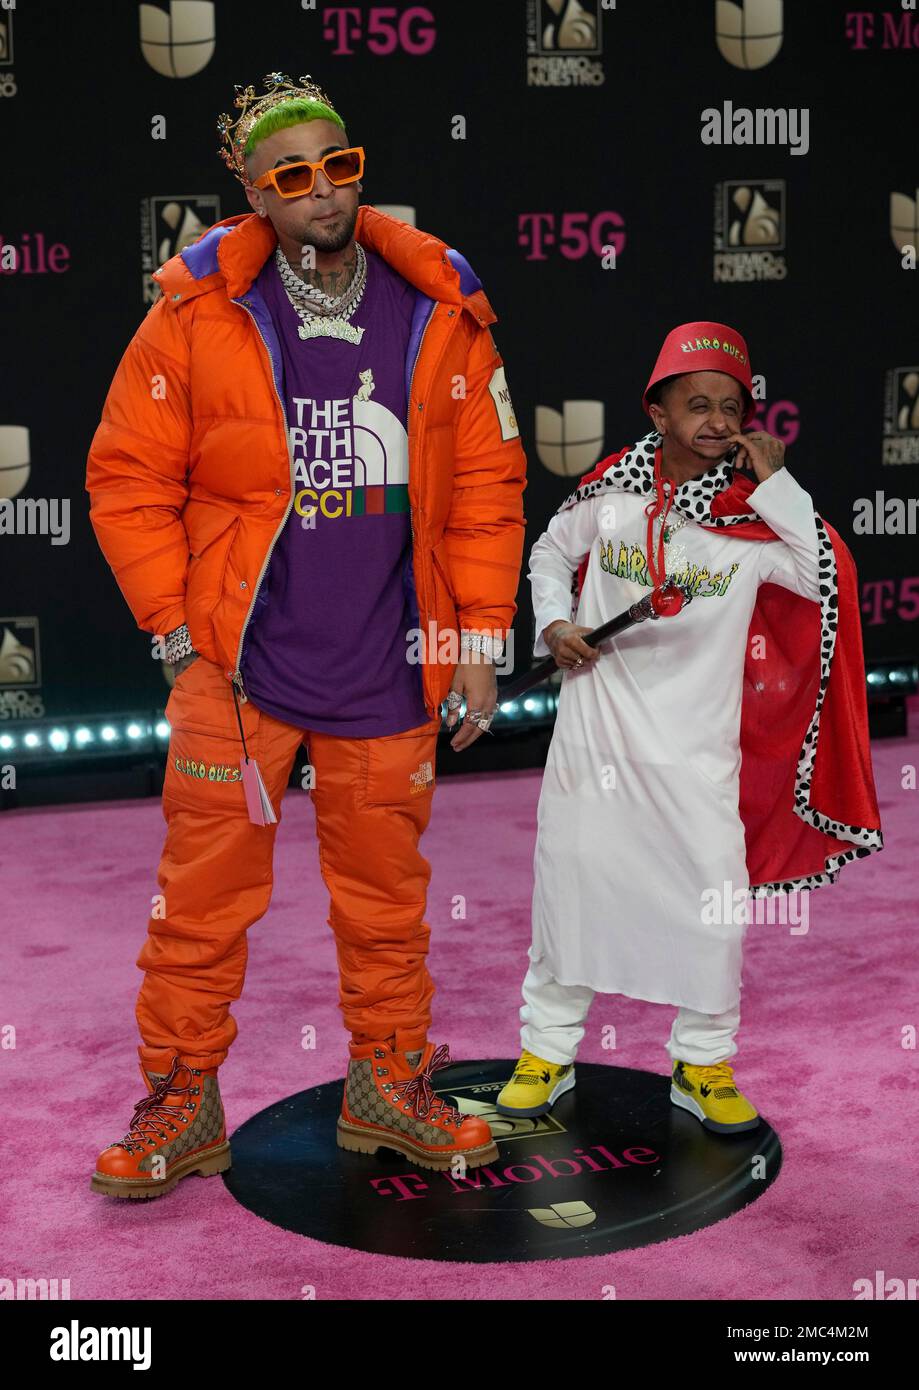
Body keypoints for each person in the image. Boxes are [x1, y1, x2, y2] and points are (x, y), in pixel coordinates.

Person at [85, 71, 527, 1197]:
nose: (322, 191)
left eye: (340, 166)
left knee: (389, 904)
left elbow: (484, 484)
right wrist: (177, 632)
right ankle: (182, 1102)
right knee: (197, 907)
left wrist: (475, 635)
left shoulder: (439, 305)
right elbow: (125, 476)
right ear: (249, 189)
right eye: (292, 175)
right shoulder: (194, 313)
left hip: (391, 661)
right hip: (238, 674)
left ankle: (388, 1085)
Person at [497, 321, 882, 1133]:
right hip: (592, 746)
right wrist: (555, 621)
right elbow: (544, 553)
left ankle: (701, 1064)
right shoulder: (608, 492)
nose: (714, 420)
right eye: (696, 404)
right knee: (568, 894)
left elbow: (825, 581)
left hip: (696, 757)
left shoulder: (753, 521)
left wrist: (776, 485)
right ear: (657, 412)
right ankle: (546, 1051)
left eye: (731, 407)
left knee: (712, 905)